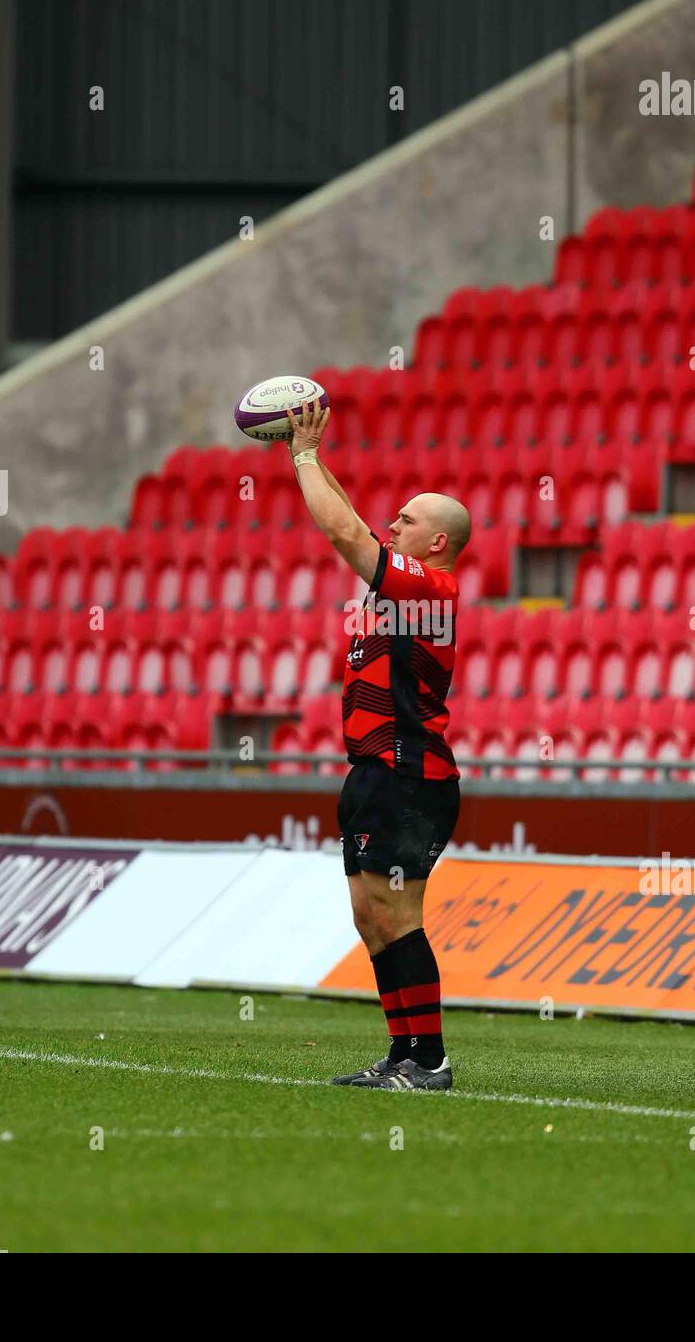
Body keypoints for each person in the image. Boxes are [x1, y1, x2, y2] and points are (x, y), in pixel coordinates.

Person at [283, 398, 471, 1091]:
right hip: (372, 770)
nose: (394, 525)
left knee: (397, 913)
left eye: (408, 520)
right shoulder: (401, 582)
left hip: (410, 775)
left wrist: (304, 459)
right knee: (371, 917)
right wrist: (309, 453)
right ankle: (402, 1053)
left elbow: (343, 532)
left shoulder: (431, 587)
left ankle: (430, 1060)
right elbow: (352, 521)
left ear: (436, 544)